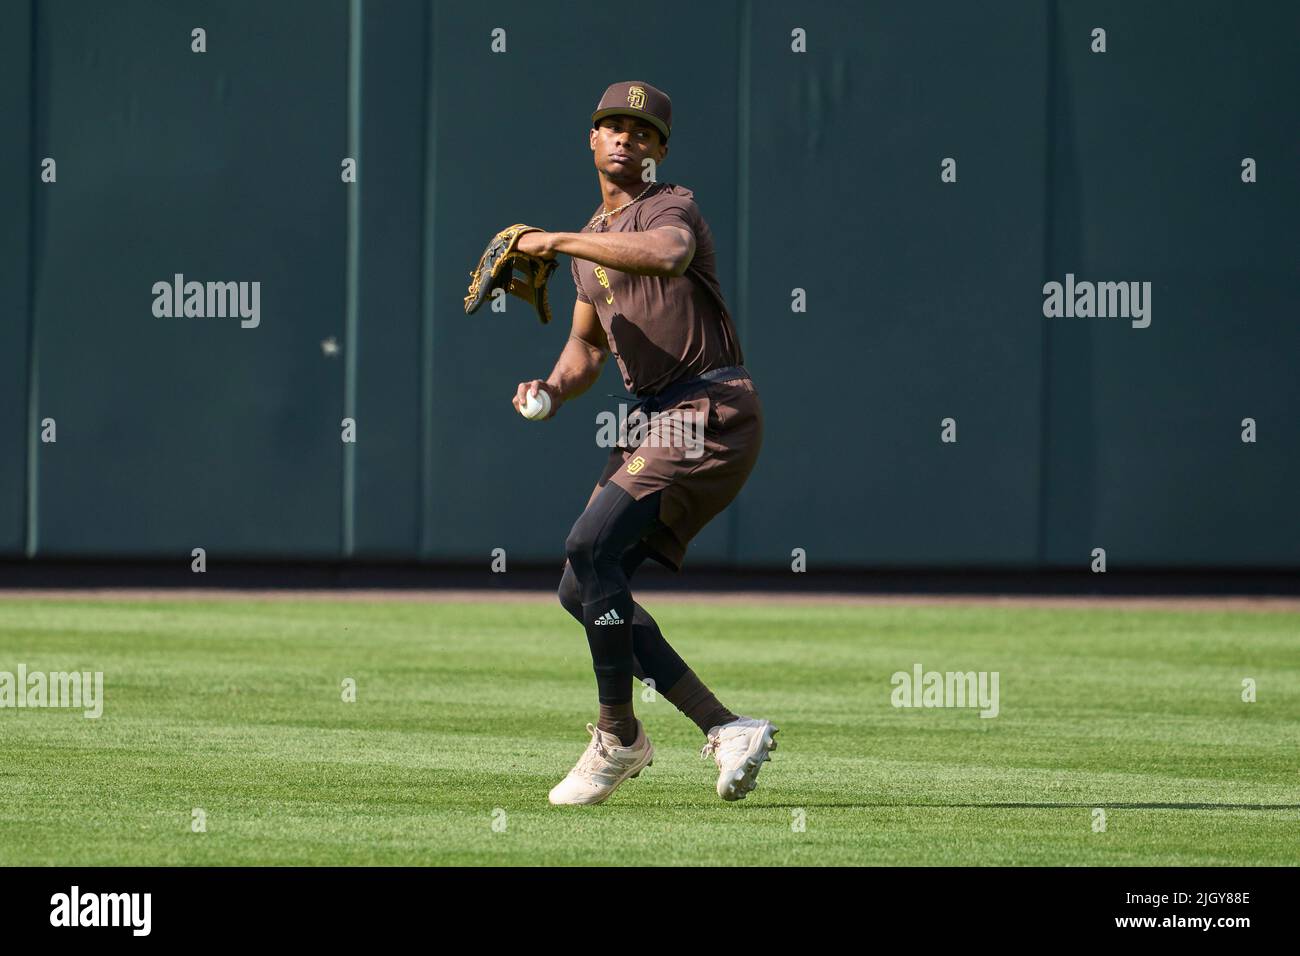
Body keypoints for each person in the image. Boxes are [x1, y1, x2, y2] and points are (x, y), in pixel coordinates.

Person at [510, 81, 778, 806]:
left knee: (589, 547)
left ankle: (617, 734)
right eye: (612, 126)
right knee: (582, 584)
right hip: (655, 412)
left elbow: (665, 256)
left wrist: (556, 239)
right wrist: (553, 389)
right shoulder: (588, 248)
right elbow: (585, 347)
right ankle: (725, 726)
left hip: (709, 401)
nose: (626, 138)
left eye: (643, 130)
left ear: (659, 149)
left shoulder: (669, 205)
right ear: (591, 140)